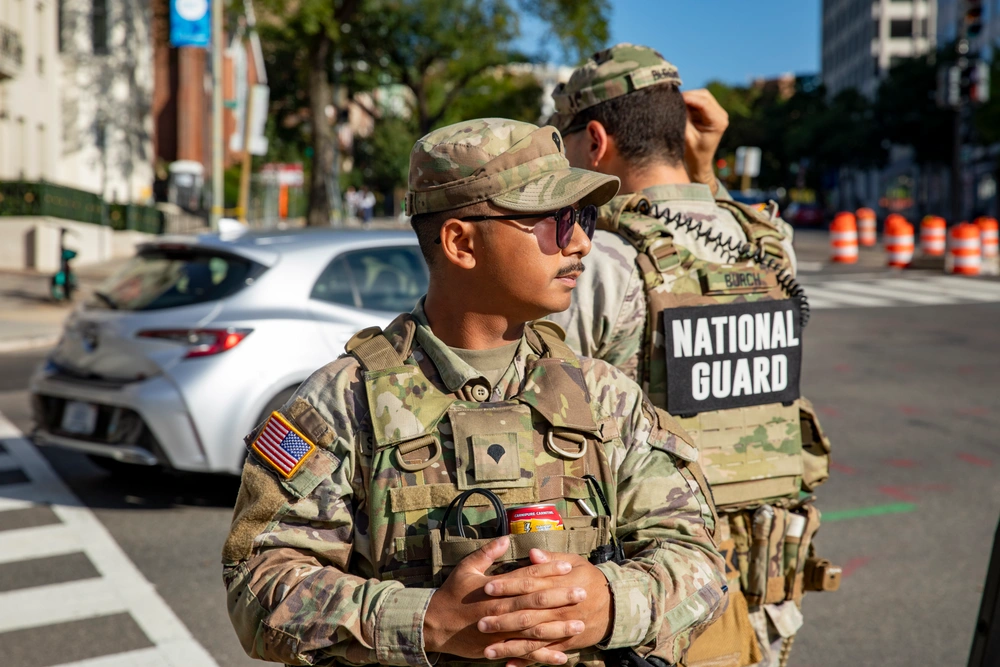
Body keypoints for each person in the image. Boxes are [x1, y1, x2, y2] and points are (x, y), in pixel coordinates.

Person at [222, 117, 728, 667]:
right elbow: (257, 582)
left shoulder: (606, 397)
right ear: (461, 242)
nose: (581, 241)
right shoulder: (340, 402)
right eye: (552, 221)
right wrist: (423, 622)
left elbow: (698, 561)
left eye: (580, 217)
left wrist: (609, 603)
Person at [547, 45, 836, 667]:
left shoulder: (597, 262)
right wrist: (703, 169)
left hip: (657, 593)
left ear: (594, 140)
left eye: (564, 142)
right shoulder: (767, 243)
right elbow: (706, 223)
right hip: (769, 576)